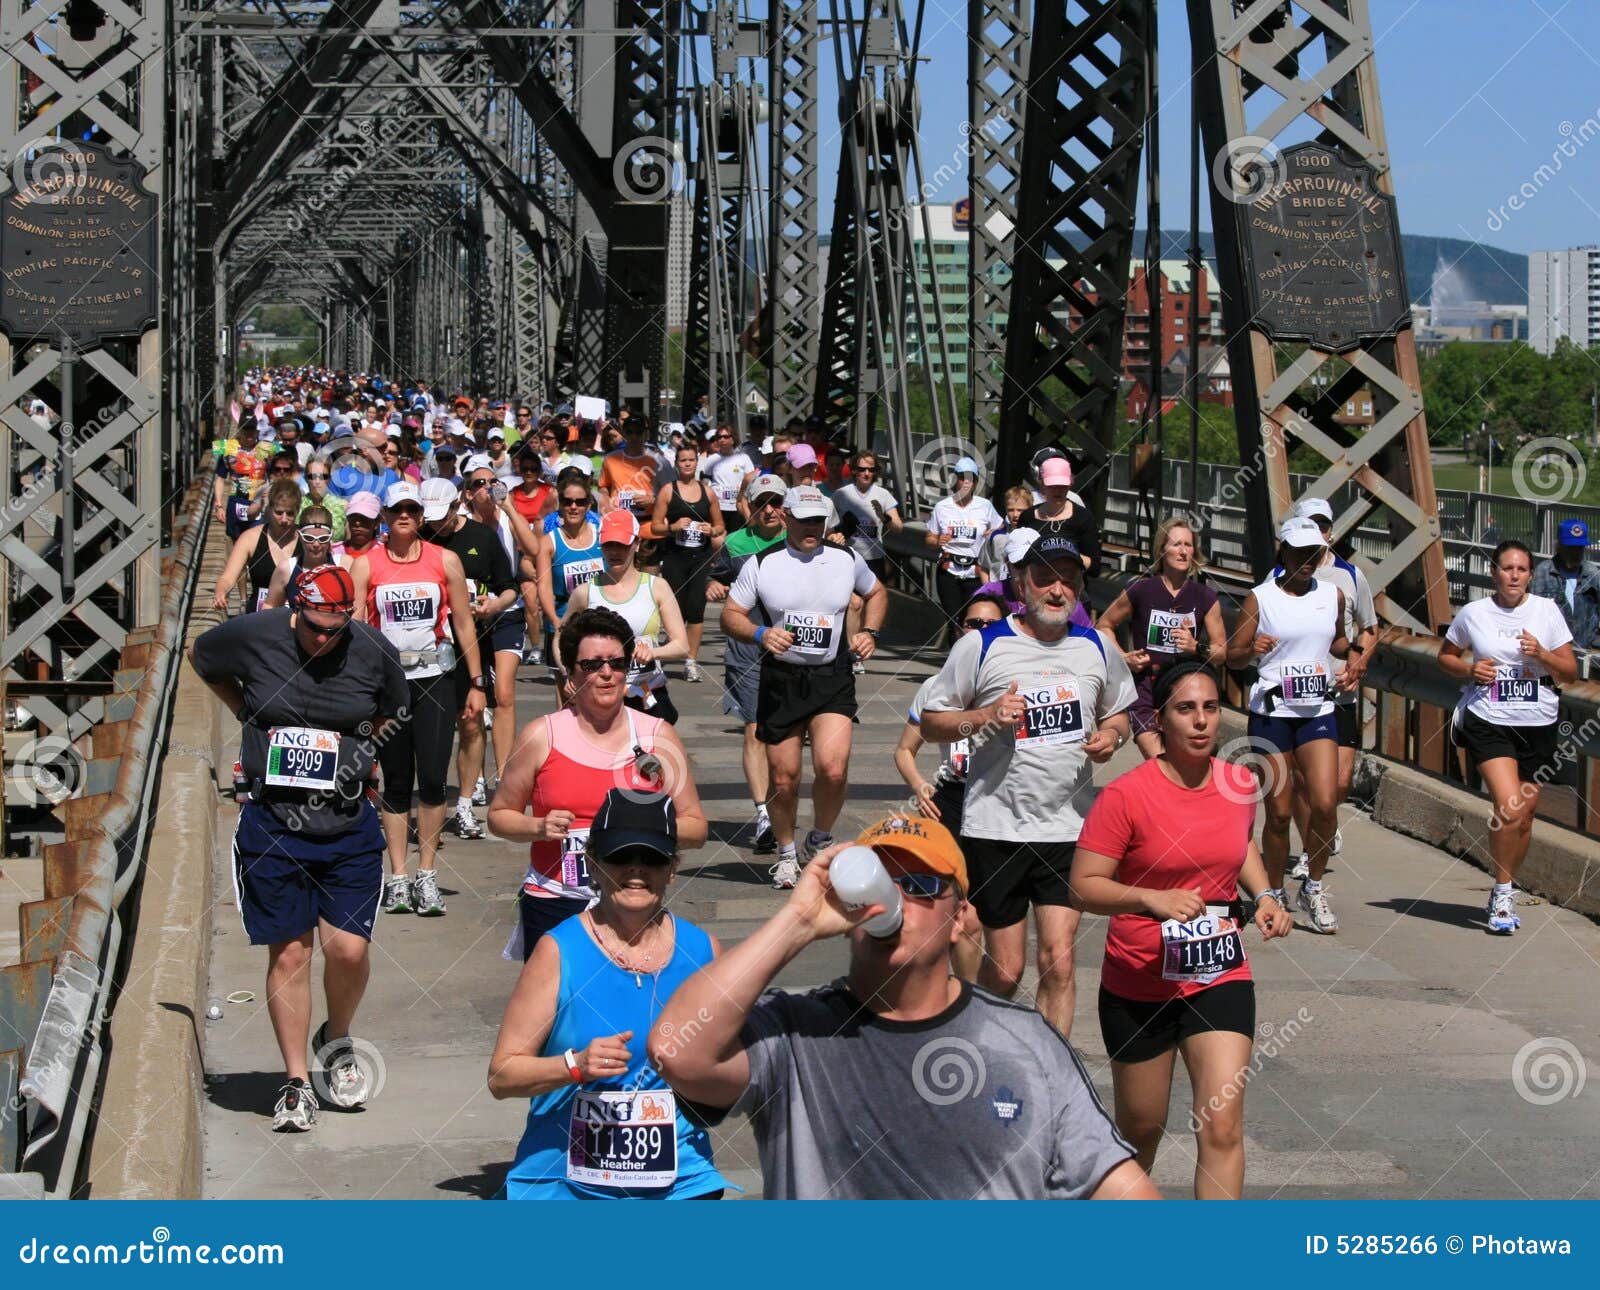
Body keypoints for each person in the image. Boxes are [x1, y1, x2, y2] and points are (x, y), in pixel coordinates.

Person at [649, 816, 1158, 1200]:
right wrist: (798, 919)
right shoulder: (793, 1034)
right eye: (875, 881)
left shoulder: (1024, 1042)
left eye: (918, 886)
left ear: (959, 918)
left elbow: (1124, 1191)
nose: (889, 899)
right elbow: (674, 1051)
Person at [189, 566, 408, 1132]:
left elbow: (394, 706)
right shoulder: (255, 634)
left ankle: (335, 1038)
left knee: (349, 951)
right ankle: (293, 1082)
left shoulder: (371, 650)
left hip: (347, 826)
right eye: (313, 627)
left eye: (334, 630)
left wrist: (358, 753)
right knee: (289, 954)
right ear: (297, 612)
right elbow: (203, 658)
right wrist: (245, 711)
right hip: (274, 824)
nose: (322, 639)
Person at [1070, 661, 1293, 1198]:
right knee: (1142, 1130)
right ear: (1161, 720)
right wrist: (1148, 897)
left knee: (1221, 1125)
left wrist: (1263, 894)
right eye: (1186, 709)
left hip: (1219, 973)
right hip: (1139, 980)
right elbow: (1083, 885)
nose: (1201, 722)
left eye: (1211, 708)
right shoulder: (1126, 795)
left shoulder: (1240, 782)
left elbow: (1237, 846)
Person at [917, 533, 1134, 1037]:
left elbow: (1121, 712)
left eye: (1068, 579)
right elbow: (931, 723)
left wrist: (1112, 736)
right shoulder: (982, 645)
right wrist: (987, 716)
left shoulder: (1097, 647)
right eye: (1044, 578)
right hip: (996, 827)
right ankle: (975, 1040)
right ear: (1020, 583)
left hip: (1070, 828)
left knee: (1058, 961)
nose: (1057, 590)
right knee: (1008, 968)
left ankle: (1052, 1073)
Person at [488, 789, 731, 1199]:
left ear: (672, 869)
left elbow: (734, 1073)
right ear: (593, 864)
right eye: (620, 857)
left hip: (679, 1182)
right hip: (565, 1180)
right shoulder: (558, 951)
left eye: (653, 858)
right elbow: (501, 1076)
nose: (636, 871)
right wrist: (574, 1065)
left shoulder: (704, 952)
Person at [488, 607, 707, 957]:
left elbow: (696, 828)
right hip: (557, 898)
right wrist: (538, 826)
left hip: (634, 900)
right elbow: (499, 816)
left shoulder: (657, 736)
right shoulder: (541, 735)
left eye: (617, 664)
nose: (606, 673)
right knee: (555, 1006)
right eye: (592, 665)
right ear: (571, 676)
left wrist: (636, 829)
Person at [721, 485, 888, 888]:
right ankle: (785, 853)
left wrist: (869, 631)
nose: (812, 528)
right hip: (782, 679)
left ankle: (819, 838)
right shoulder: (763, 563)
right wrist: (760, 633)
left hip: (831, 676)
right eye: (804, 520)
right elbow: (730, 615)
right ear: (786, 518)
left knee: (832, 769)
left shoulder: (845, 558)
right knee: (784, 779)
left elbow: (877, 591)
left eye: (819, 520)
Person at [350, 481, 487, 917]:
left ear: (421, 515)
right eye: (396, 509)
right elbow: (354, 628)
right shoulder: (365, 565)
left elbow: (463, 623)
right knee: (394, 781)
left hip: (434, 679)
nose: (404, 514)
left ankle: (426, 873)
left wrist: (477, 682)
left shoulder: (443, 560)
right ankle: (396, 875)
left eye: (412, 508)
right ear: (385, 516)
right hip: (388, 685)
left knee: (431, 777)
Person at [1439, 539, 1577, 934]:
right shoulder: (1474, 613)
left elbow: (1569, 673)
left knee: (1525, 817)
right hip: (1489, 717)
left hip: (1538, 721)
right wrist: (1469, 670)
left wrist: (1542, 655)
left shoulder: (1547, 612)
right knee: (1510, 805)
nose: (1513, 576)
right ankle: (1502, 891)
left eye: (1521, 569)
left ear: (1531, 575)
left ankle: (1507, 883)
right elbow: (1445, 656)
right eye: (1506, 568)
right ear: (1494, 573)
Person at [1225, 516, 1350, 934]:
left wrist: (1359, 656)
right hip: (1273, 714)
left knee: (1326, 803)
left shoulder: (1333, 595)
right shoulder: (1259, 599)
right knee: (1278, 813)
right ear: (1284, 551)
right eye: (1300, 553)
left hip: (1317, 712)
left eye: (1315, 553)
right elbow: (1234, 657)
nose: (1308, 561)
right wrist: (1251, 647)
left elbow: (1335, 641)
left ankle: (1312, 886)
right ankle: (1273, 892)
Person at [894, 592, 1008, 980]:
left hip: (1000, 800)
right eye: (972, 623)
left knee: (992, 917)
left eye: (989, 625)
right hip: (952, 800)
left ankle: (976, 994)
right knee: (964, 914)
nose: (978, 630)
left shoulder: (1013, 684)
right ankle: (960, 992)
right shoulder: (934, 687)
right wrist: (920, 785)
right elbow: (905, 751)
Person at [416, 476, 520, 841]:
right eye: (427, 517)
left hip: (476, 643)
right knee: (433, 731)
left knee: (472, 722)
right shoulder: (419, 539)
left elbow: (511, 587)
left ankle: (464, 803)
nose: (434, 524)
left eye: (439, 516)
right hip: (430, 648)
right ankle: (432, 802)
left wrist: (494, 606)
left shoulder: (481, 537)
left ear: (457, 505)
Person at [1282, 497, 1379, 879]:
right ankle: (1310, 849)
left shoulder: (1351, 576)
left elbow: (1369, 629)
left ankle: (1325, 822)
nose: (1318, 534)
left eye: (1323, 526)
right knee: (1305, 782)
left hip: (1341, 693)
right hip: (1300, 696)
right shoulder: (1283, 576)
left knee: (1337, 784)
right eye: (1310, 526)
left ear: (1331, 532)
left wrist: (1358, 664)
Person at [706, 473, 788, 856]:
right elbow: (714, 579)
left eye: (776, 502)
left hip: (793, 650)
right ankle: (764, 815)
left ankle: (781, 805)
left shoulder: (803, 538)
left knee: (785, 734)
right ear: (750, 509)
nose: (770, 510)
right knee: (755, 729)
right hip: (747, 648)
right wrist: (712, 586)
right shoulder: (736, 543)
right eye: (761, 503)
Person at [1096, 517, 1225, 758]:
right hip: (1146, 689)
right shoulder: (1142, 590)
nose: (1183, 551)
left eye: (1188, 545)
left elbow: (1221, 652)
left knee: (1183, 763)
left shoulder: (1205, 597)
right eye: (1176, 544)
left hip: (1185, 691)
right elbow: (1104, 625)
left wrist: (1197, 647)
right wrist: (1124, 658)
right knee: (1159, 761)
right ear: (1161, 549)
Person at [564, 510, 690, 725]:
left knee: (652, 756)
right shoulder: (585, 592)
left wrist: (652, 652)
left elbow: (682, 646)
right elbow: (563, 639)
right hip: (599, 695)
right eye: (608, 545)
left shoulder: (657, 587)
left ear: (637, 544)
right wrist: (570, 673)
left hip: (645, 693)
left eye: (622, 545)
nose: (615, 552)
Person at [652, 442, 725, 684]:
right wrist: (672, 527)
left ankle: (690, 661)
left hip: (700, 559)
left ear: (696, 463)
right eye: (682, 460)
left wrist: (710, 529)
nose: (686, 464)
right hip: (675, 557)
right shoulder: (667, 491)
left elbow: (720, 526)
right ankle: (664, 653)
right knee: (675, 610)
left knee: (696, 610)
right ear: (676, 464)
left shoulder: (708, 492)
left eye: (691, 460)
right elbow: (655, 526)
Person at [537, 468, 604, 684]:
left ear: (589, 504)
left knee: (600, 687)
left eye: (580, 502)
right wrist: (556, 621)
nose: (573, 507)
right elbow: (544, 588)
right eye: (567, 502)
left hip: (601, 622)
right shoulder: (549, 542)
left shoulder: (602, 534)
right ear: (560, 504)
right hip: (564, 622)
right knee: (566, 692)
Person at [925, 456, 1003, 628]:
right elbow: (929, 538)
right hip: (949, 572)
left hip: (975, 573)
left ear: (975, 482)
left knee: (973, 622)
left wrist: (994, 532)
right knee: (954, 623)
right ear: (955, 480)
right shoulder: (942, 507)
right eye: (962, 478)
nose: (966, 482)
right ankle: (955, 653)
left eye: (971, 479)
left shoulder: (985, 506)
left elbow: (1002, 529)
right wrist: (937, 540)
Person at [212, 478, 303, 614]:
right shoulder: (250, 538)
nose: (284, 519)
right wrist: (221, 592)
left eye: (290, 513)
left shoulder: (307, 540)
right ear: (269, 508)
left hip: (298, 621)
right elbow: (228, 577)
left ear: (297, 511)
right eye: (279, 512)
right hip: (259, 618)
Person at [1022, 455, 1101, 580]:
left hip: (1071, 588)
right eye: (1052, 485)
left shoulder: (1083, 517)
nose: (1058, 490)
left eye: (1062, 485)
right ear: (1042, 484)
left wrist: (1063, 555)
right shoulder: (1027, 517)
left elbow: (1095, 568)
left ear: (1070, 483)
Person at [831, 449, 902, 583]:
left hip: (874, 560)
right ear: (853, 471)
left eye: (871, 469)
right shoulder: (841, 494)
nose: (866, 473)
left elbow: (898, 527)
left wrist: (884, 517)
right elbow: (827, 524)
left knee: (875, 600)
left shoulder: (884, 494)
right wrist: (836, 534)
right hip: (848, 558)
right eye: (861, 469)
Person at [1530, 518, 1600, 650]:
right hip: (1554, 650)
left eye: (1579, 548)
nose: (1575, 553)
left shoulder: (1593, 574)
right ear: (1559, 546)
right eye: (1570, 548)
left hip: (1587, 648)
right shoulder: (1543, 573)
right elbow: (1533, 613)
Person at [262, 506, 339, 609]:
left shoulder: (344, 564)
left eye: (323, 539)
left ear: (331, 536)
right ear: (299, 535)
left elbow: (356, 612)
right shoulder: (286, 569)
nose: (316, 544)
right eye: (309, 538)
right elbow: (270, 606)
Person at [214, 419, 269, 539]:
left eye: (252, 430)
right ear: (240, 431)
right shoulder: (228, 448)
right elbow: (220, 478)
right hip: (236, 502)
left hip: (259, 502)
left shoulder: (266, 448)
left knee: (257, 539)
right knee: (236, 540)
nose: (249, 433)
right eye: (246, 430)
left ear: (257, 431)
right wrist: (218, 505)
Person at [600, 418, 662, 523]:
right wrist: (605, 498)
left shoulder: (658, 460)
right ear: (623, 434)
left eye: (638, 432)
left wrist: (653, 500)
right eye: (629, 432)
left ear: (645, 434)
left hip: (648, 523)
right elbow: (603, 486)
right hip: (619, 522)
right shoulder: (610, 459)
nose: (633, 436)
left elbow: (670, 491)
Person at [698, 425, 756, 535]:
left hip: (737, 507)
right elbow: (705, 483)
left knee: (735, 538)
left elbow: (751, 481)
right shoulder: (712, 459)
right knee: (718, 538)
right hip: (717, 507)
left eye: (725, 437)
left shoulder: (744, 458)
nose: (722, 440)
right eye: (719, 437)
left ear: (733, 439)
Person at [298, 458, 347, 540]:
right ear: (306, 479)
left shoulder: (344, 506)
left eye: (323, 476)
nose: (317, 481)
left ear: (329, 479)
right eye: (312, 476)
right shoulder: (297, 505)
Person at [340, 492, 381, 566]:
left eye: (364, 517)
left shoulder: (385, 554)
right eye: (353, 517)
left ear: (376, 522)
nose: (357, 523)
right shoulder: (332, 553)